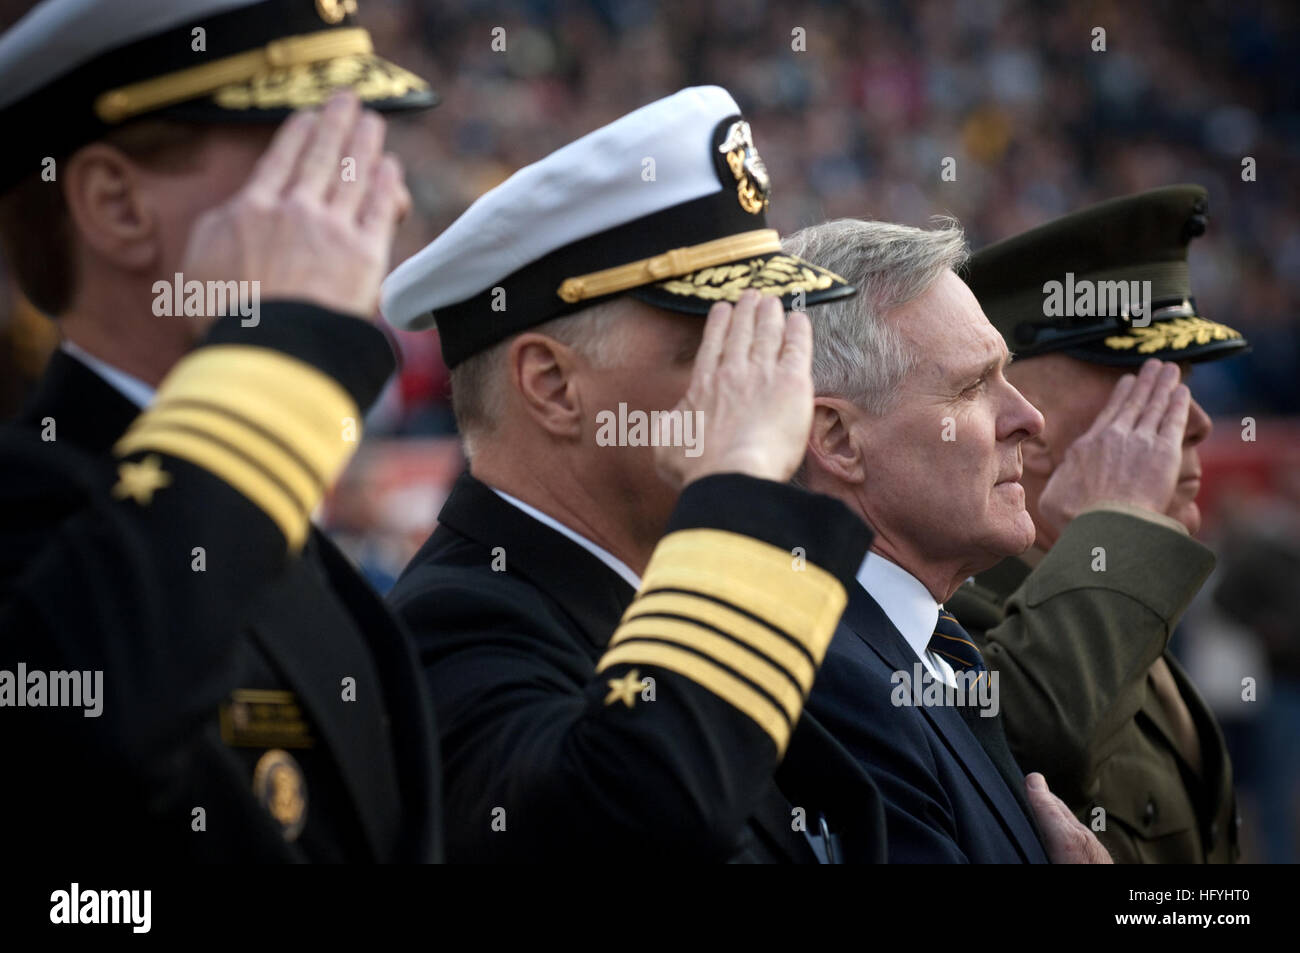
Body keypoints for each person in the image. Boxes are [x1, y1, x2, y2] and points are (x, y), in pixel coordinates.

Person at [381, 86, 885, 863]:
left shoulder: (644, 592)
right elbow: (636, 819)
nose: (774, 389)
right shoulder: (456, 626)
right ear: (551, 385)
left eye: (771, 337)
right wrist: (742, 478)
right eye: (719, 349)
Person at [0, 0, 440, 861]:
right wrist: (281, 354)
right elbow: (76, 751)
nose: (377, 205)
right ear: (117, 205)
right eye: (311, 160)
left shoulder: (277, 533)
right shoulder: (33, 515)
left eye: (364, 155)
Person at [782, 217, 1112, 863]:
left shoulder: (925, 644)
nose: (1028, 419)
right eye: (972, 386)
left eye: (1006, 376)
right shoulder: (828, 679)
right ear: (838, 438)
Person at [953, 185, 1247, 863]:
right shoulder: (946, 617)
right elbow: (1027, 742)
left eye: (1185, 381)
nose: (1194, 422)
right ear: (1024, 417)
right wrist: (1114, 532)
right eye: (1143, 386)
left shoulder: (1124, 598)